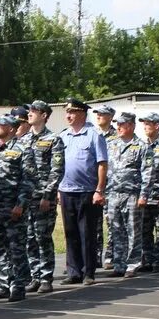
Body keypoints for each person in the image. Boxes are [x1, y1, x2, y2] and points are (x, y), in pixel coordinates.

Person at [58, 98, 108, 285]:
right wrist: (57, 188)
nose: (68, 116)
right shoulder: (64, 136)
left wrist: (99, 190)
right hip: (66, 189)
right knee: (70, 232)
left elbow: (102, 164)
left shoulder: (94, 135)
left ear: (81, 114)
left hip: (87, 190)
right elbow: (58, 165)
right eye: (67, 112)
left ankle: (89, 272)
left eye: (72, 112)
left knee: (86, 232)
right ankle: (74, 271)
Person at [0, 115, 35, 301]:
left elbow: (28, 180)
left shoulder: (24, 149)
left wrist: (20, 205)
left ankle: (18, 285)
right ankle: (1, 284)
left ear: (12, 129)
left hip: (14, 208)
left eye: (1, 125)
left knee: (16, 248)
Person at [23, 100, 65, 293]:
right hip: (26, 198)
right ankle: (35, 276)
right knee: (29, 237)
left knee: (43, 237)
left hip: (43, 198)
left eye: (34, 110)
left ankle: (46, 277)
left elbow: (57, 171)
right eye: (29, 110)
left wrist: (47, 196)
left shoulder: (54, 140)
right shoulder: (23, 140)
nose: (30, 113)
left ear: (44, 115)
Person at [105, 112, 147, 279]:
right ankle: (119, 263)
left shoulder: (141, 146)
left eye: (122, 125)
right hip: (113, 193)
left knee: (133, 231)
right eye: (118, 125)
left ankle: (132, 264)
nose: (118, 127)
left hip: (132, 194)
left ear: (131, 126)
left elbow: (147, 173)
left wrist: (144, 195)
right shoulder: (111, 144)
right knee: (116, 230)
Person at [136, 113, 159, 272]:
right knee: (144, 229)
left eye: (148, 124)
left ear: (157, 126)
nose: (145, 126)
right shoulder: (141, 146)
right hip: (145, 195)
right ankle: (146, 260)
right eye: (144, 124)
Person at [92, 105, 118, 269]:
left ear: (111, 117)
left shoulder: (117, 136)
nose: (99, 116)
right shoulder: (93, 134)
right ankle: (94, 257)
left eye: (103, 114)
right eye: (98, 114)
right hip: (93, 185)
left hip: (112, 185)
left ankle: (111, 256)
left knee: (112, 222)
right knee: (94, 224)